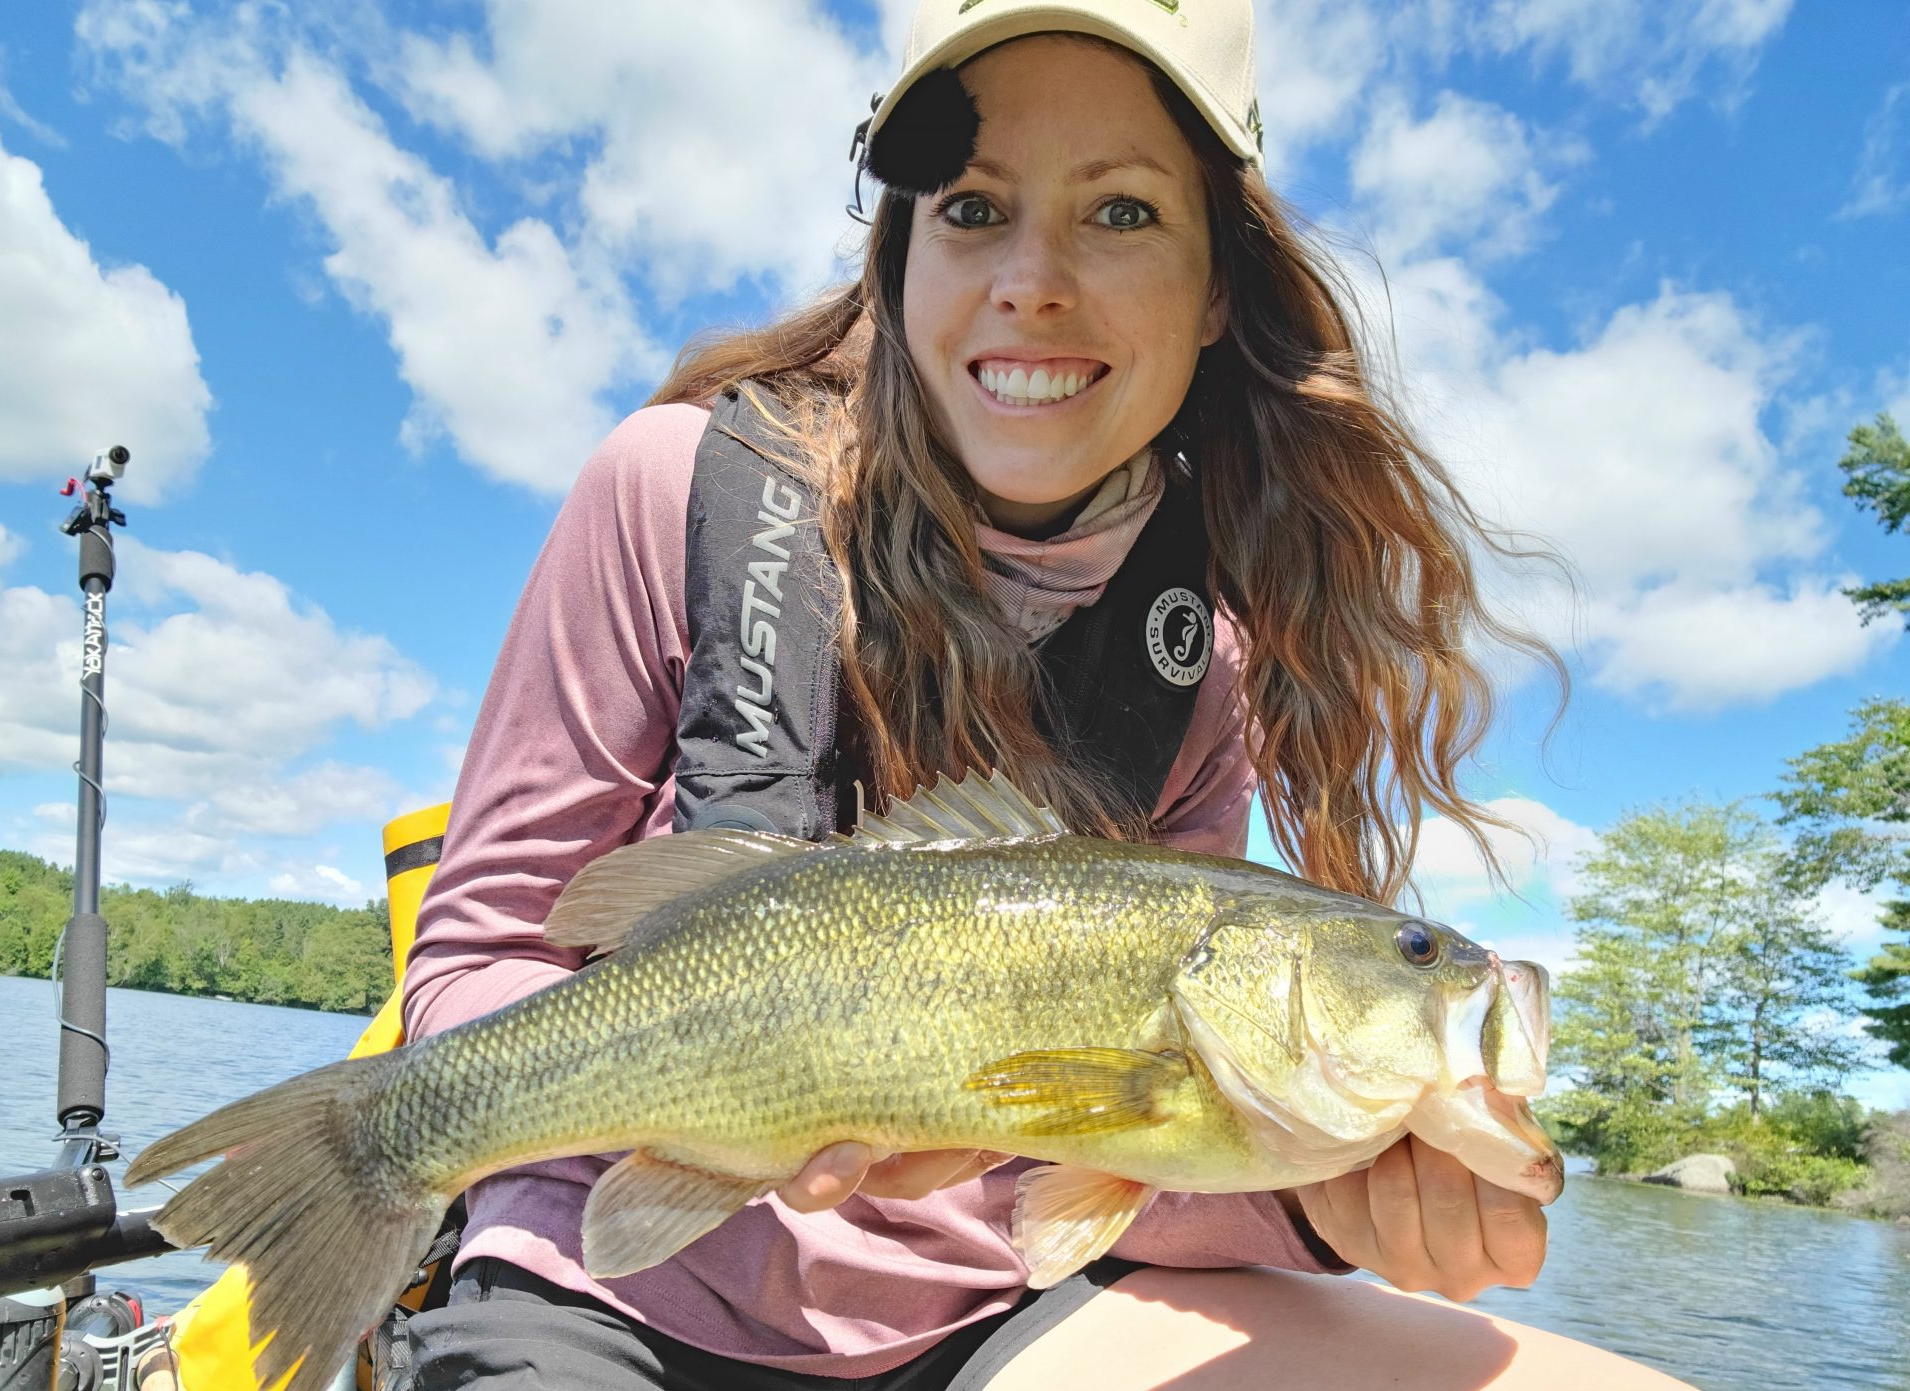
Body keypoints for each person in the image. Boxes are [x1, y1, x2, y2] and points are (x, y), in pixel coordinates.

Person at [401, 2, 1695, 1387]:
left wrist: (1327, 1201)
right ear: (899, 254)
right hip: (606, 1283)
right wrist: (633, 1100)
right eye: (972, 207)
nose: (1033, 281)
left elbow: (1100, 1177)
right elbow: (481, 952)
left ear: (1218, 287)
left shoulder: (1207, 661)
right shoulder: (671, 485)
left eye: (1123, 211)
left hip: (980, 1315)